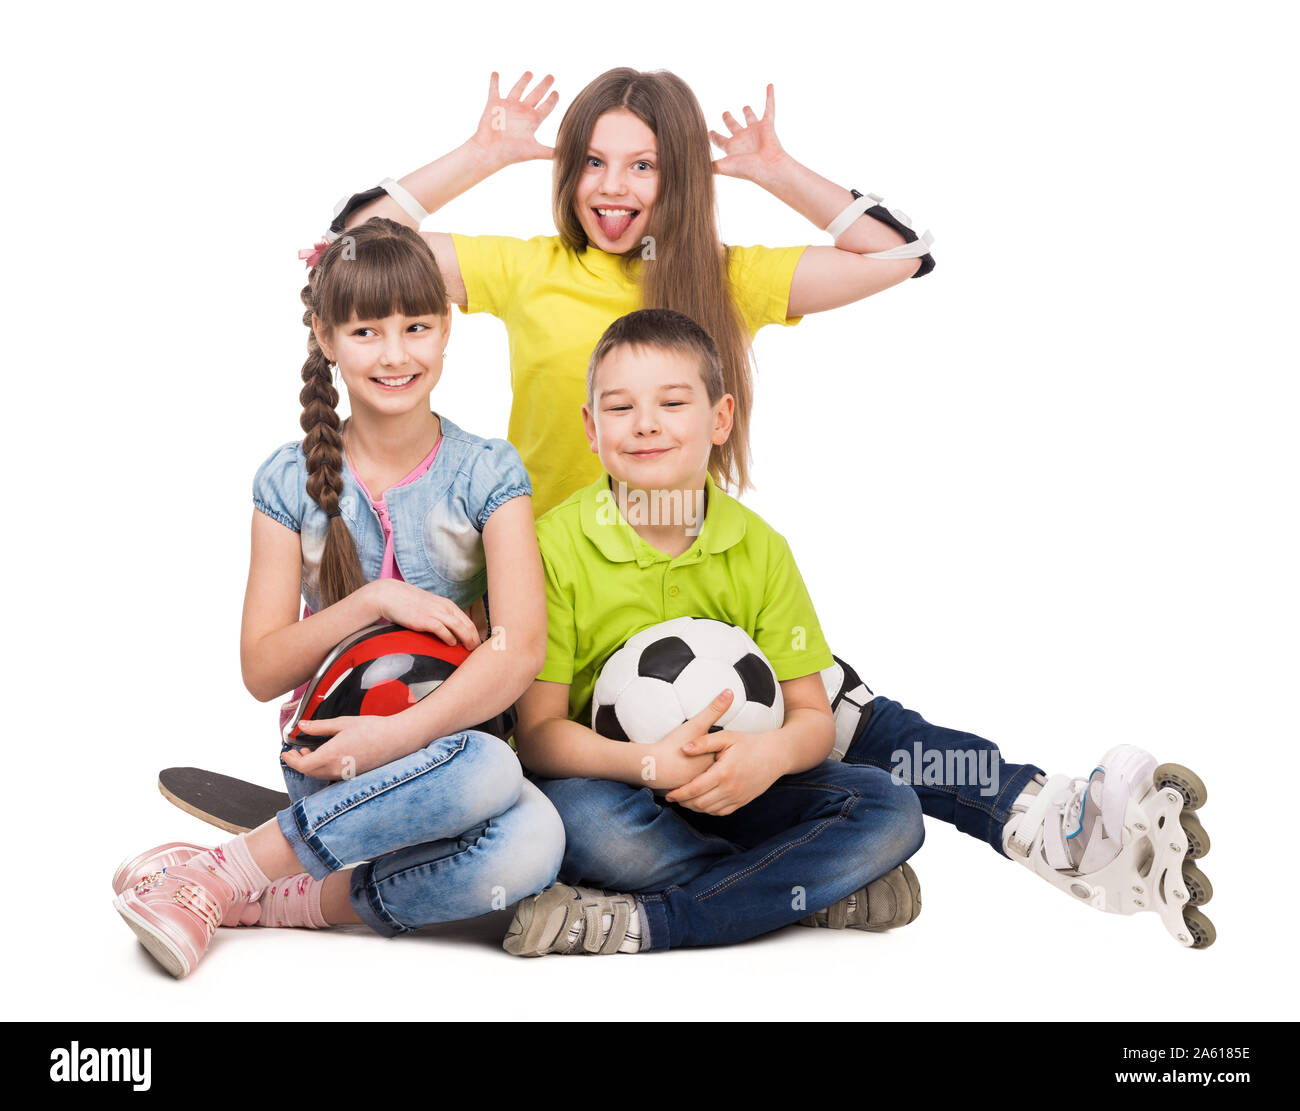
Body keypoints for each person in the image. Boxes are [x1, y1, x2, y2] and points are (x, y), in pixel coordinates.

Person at [308, 68, 1211, 944]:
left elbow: (904, 254)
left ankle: (1044, 817)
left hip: (697, 595)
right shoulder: (527, 268)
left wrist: (775, 170)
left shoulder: (724, 276)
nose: (611, 188)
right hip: (559, 596)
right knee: (605, 807)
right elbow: (353, 248)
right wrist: (482, 152)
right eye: (591, 160)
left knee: (858, 717)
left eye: (643, 165)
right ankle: (801, 879)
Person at [112, 220, 565, 977]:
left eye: (417, 326)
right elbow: (261, 669)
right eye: (365, 330)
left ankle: (245, 886)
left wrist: (398, 738)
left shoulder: (488, 471)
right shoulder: (287, 481)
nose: (396, 353)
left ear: (447, 329)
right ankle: (242, 869)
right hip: (333, 754)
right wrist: (371, 600)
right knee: (494, 778)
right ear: (326, 338)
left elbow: (521, 649)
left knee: (534, 835)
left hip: (449, 750)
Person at [504, 309, 924, 955]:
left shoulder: (760, 548)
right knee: (580, 825)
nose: (646, 423)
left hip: (744, 784)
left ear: (720, 418)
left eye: (673, 402)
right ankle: (801, 884)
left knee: (891, 806)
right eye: (620, 407)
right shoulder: (552, 548)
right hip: (617, 788)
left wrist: (770, 755)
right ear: (591, 428)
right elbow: (536, 736)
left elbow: (813, 716)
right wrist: (647, 762)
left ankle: (654, 917)